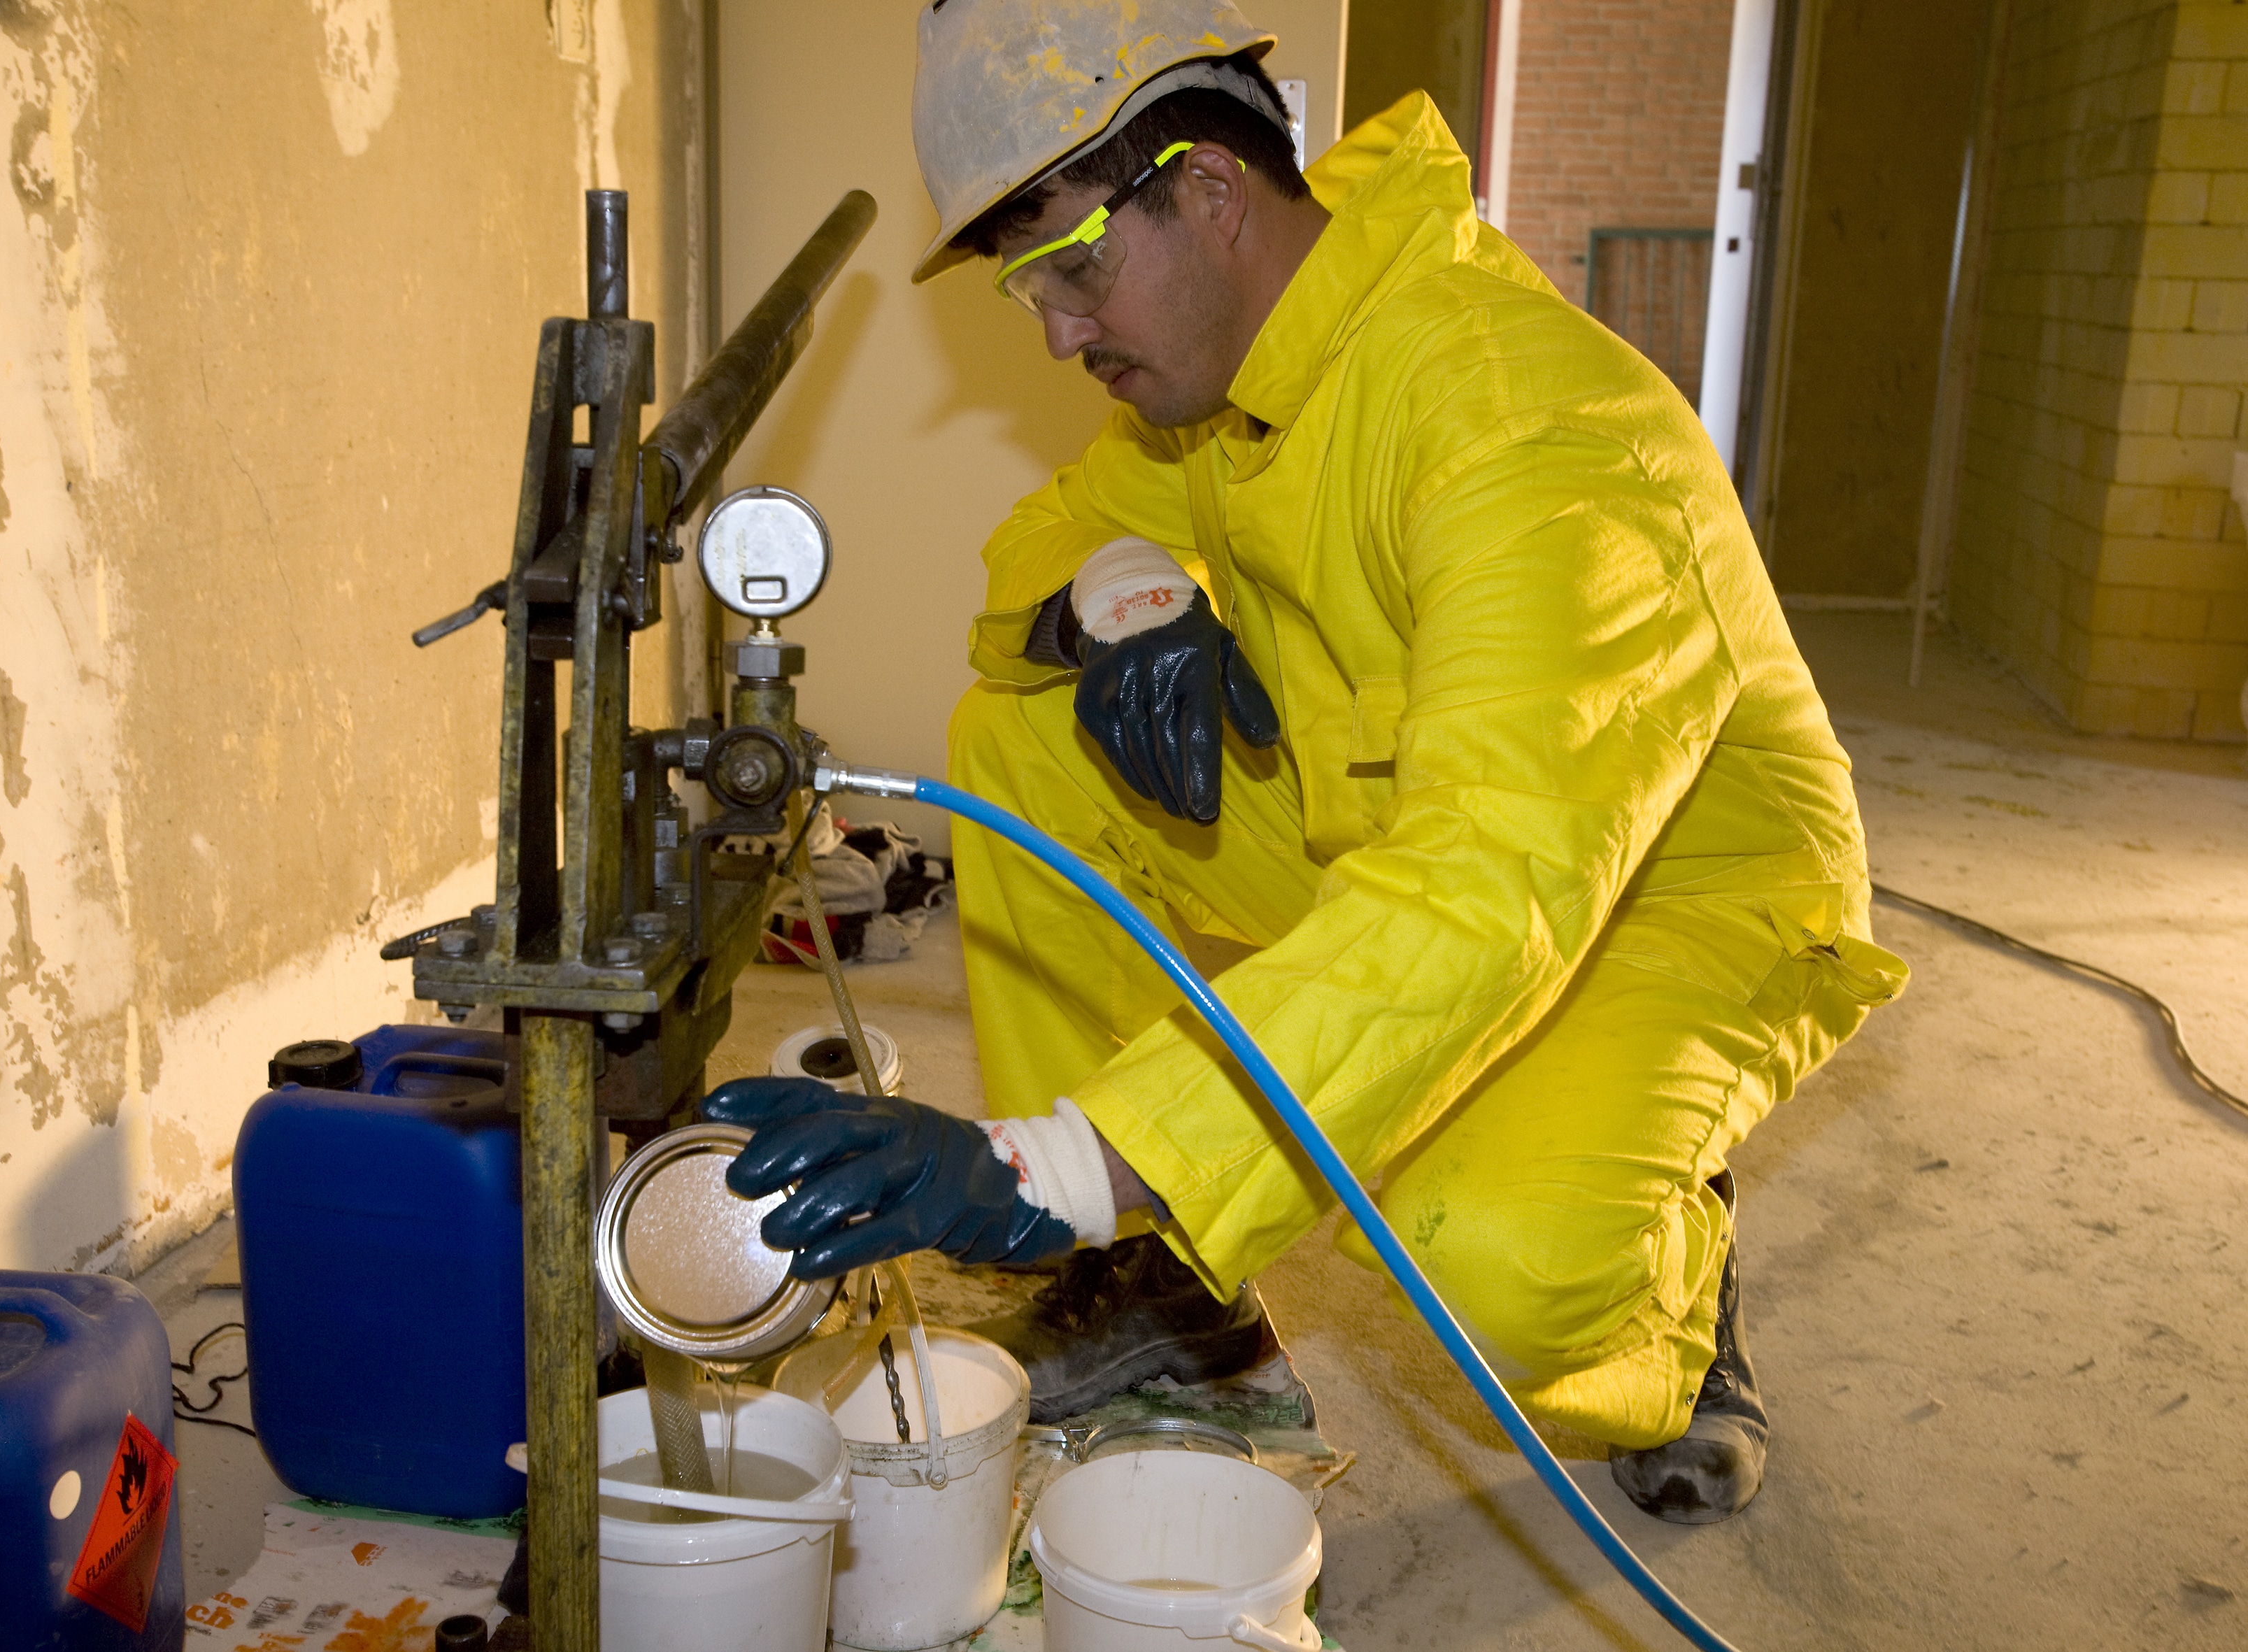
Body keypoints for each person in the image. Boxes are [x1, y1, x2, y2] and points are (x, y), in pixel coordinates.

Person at [708, 0, 1908, 1524]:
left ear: (1207, 190)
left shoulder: (1525, 426)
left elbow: (1491, 878)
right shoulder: (1230, 373)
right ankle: (1158, 1275)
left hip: (1664, 895)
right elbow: (1039, 538)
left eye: (1067, 270)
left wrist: (1070, 1159)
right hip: (1392, 827)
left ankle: (1671, 1283)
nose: (1063, 335)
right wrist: (1121, 589)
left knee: (1483, 1246)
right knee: (1012, 737)